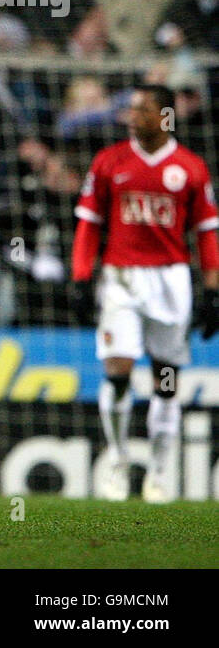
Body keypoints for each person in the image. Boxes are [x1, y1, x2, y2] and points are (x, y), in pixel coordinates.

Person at [72, 85, 219, 503]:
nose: (132, 114)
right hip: (121, 280)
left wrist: (212, 290)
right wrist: (82, 277)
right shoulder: (109, 162)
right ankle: (117, 462)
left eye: (142, 108)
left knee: (166, 381)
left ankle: (157, 472)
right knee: (117, 371)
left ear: (166, 117)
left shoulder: (190, 168)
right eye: (131, 106)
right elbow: (89, 224)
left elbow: (206, 234)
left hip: (171, 282)